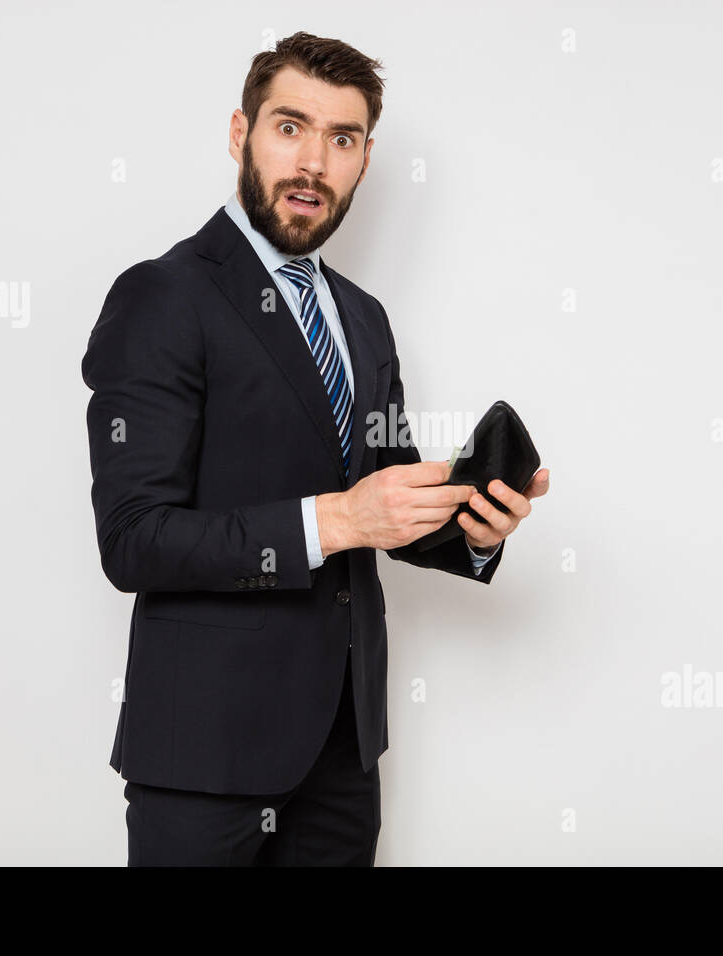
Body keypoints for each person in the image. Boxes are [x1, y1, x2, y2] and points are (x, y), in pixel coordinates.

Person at [81, 31, 550, 866]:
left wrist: (474, 528)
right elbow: (133, 538)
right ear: (240, 134)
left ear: (364, 159)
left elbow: (384, 498)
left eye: (342, 139)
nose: (313, 164)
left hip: (342, 751)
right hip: (205, 757)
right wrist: (333, 519)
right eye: (289, 127)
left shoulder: (362, 318)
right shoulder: (163, 296)